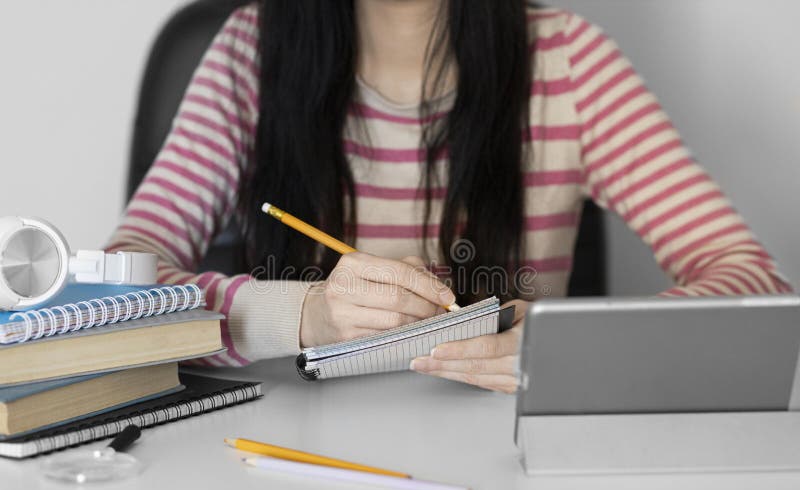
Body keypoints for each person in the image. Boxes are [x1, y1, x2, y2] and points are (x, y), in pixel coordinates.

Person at [108, 1, 792, 394]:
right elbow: (118, 282)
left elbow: (755, 284)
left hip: (503, 465)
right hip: (281, 468)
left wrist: (567, 350)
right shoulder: (247, 55)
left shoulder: (570, 60)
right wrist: (302, 314)